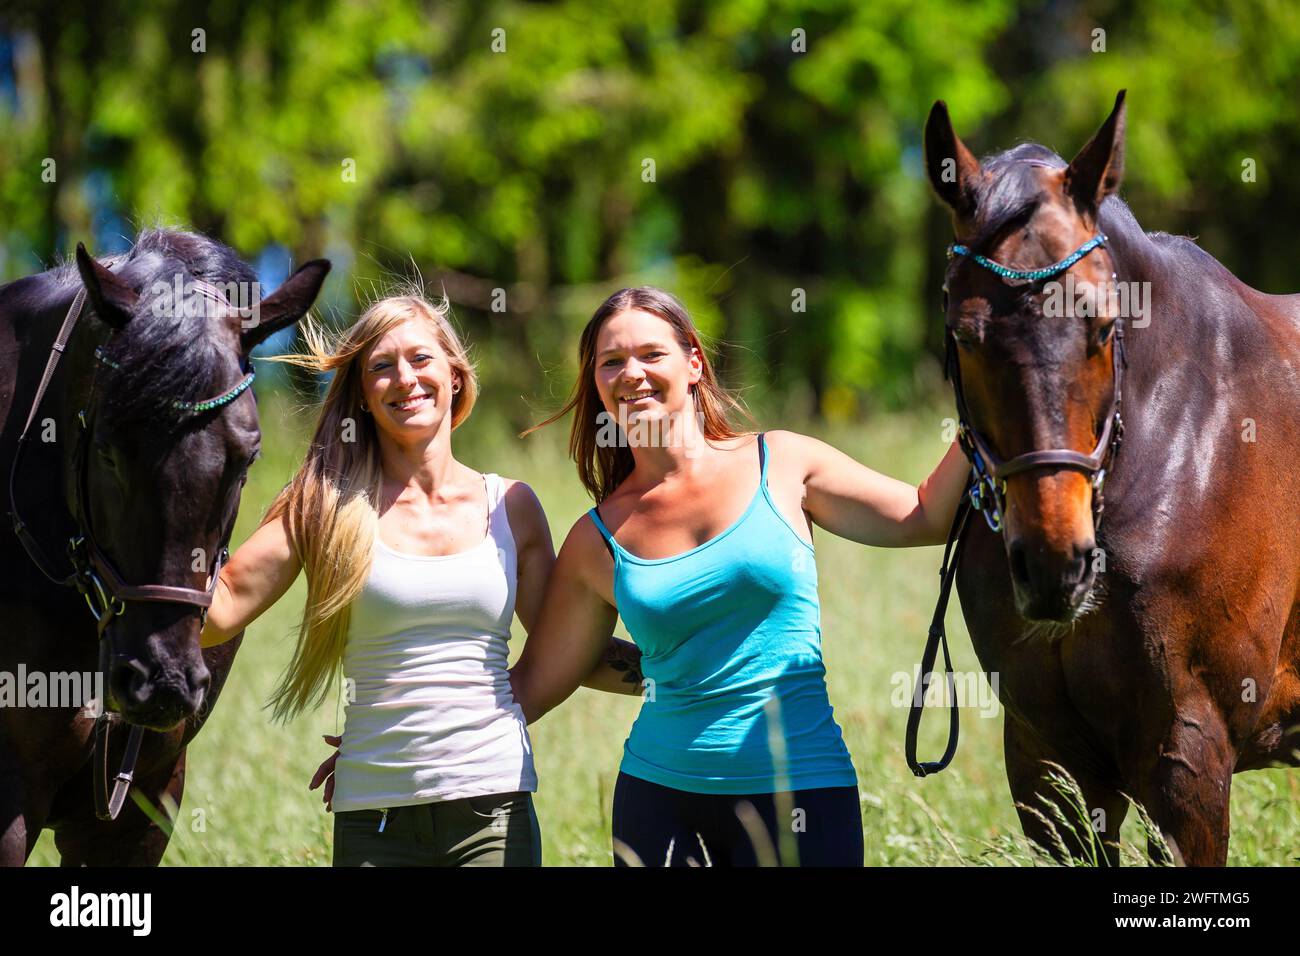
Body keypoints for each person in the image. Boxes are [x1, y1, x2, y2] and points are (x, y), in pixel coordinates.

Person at [509, 286, 971, 867]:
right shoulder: (597, 536)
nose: (633, 373)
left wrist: (983, 412)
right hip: (660, 804)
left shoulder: (782, 463)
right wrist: (390, 731)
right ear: (597, 385)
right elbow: (535, 683)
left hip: (803, 791)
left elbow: (926, 515)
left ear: (694, 362)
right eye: (611, 361)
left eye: (652, 354)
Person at [200, 291, 639, 867]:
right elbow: (220, 606)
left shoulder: (511, 505)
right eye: (381, 367)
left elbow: (568, 649)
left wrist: (690, 670)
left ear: (455, 377)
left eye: (420, 359)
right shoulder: (323, 501)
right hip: (373, 818)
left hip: (492, 809)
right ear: (362, 392)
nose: (404, 378)